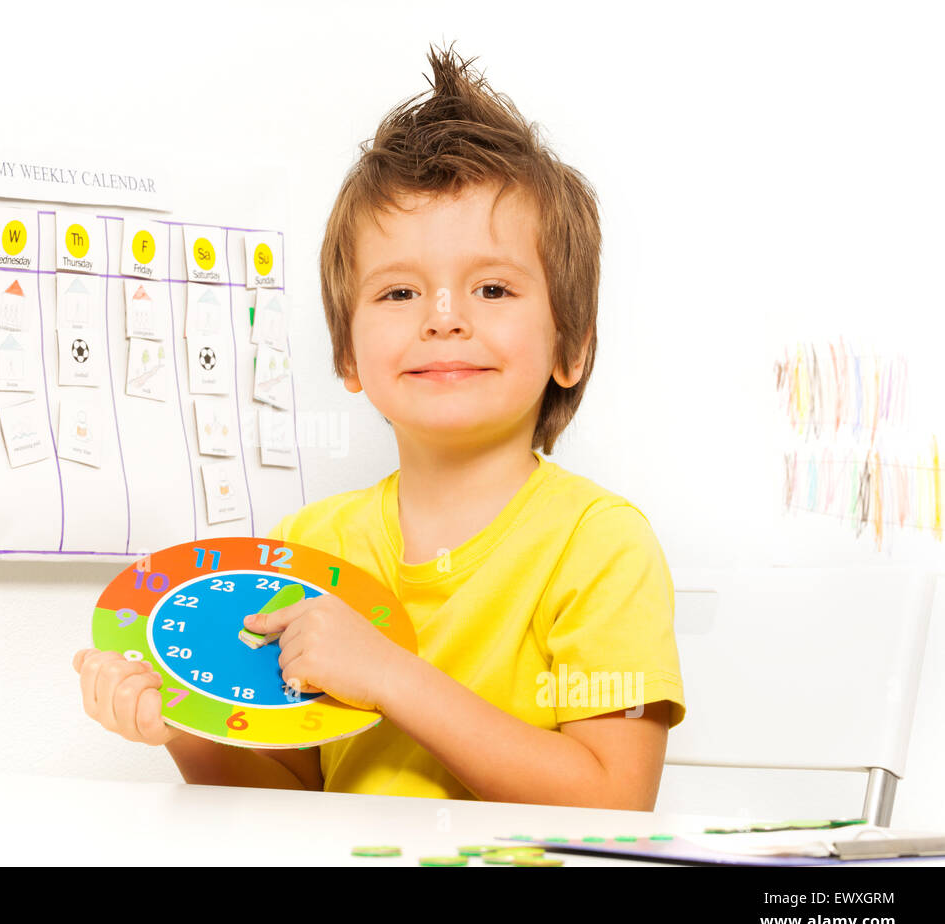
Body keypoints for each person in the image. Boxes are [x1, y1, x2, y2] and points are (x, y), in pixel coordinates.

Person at [74, 41, 685, 810]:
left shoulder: (601, 547)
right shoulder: (309, 545)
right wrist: (182, 722)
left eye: (492, 287)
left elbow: (612, 802)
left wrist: (388, 673)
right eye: (399, 294)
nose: (445, 319)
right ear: (348, 354)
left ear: (571, 346)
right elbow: (291, 798)